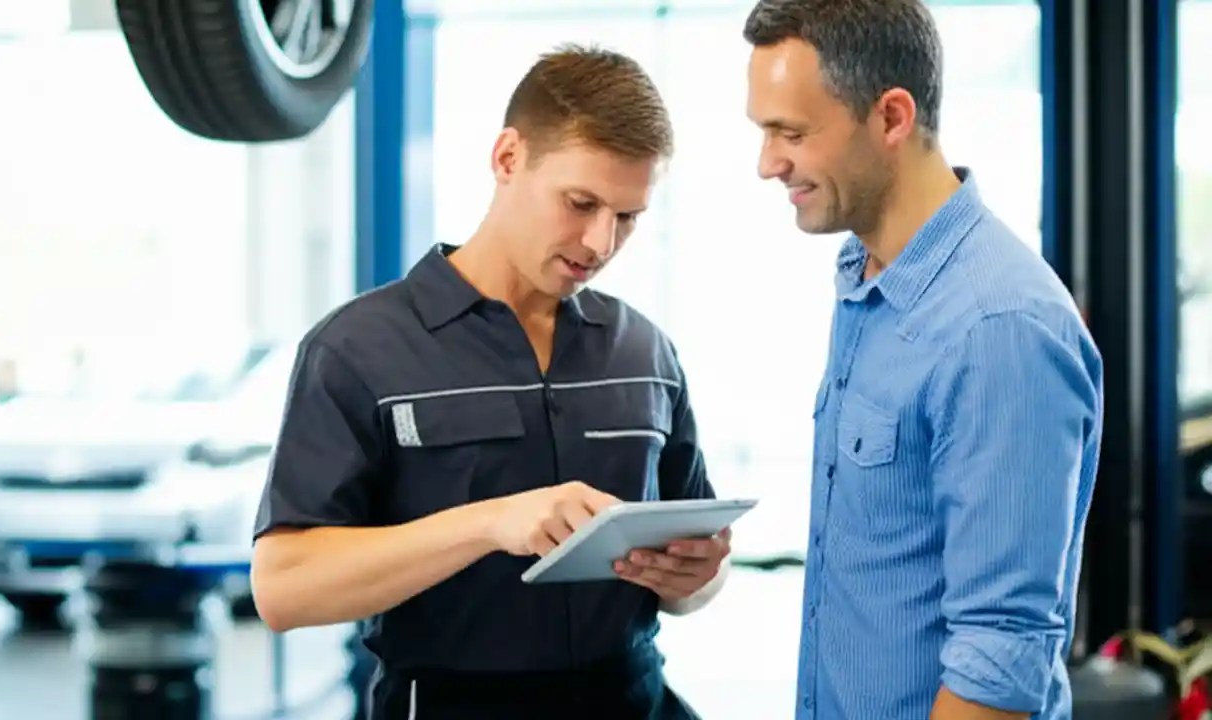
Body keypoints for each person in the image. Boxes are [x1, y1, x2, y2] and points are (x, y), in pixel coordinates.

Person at [250, 44, 730, 720]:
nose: (599, 242)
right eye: (580, 202)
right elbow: (284, 590)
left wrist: (695, 578)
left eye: (627, 217)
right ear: (508, 159)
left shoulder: (645, 351)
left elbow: (691, 577)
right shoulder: (356, 351)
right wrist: (489, 523)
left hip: (635, 699)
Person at [740, 1, 1103, 719]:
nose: (767, 163)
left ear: (892, 117)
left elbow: (999, 654)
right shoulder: (866, 274)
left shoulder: (997, 328)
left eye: (792, 132)